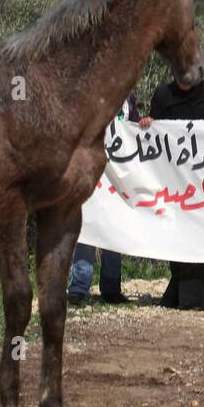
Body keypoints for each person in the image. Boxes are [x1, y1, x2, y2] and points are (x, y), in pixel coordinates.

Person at [142, 75, 204, 310]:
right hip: (176, 184)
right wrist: (147, 124)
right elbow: (155, 132)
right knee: (180, 237)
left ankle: (198, 297)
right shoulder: (164, 95)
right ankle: (184, 295)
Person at [68, 91, 139, 305]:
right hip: (90, 171)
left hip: (117, 175)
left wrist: (144, 123)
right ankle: (79, 286)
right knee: (87, 226)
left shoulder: (128, 100)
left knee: (113, 228)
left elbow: (135, 129)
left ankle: (111, 286)